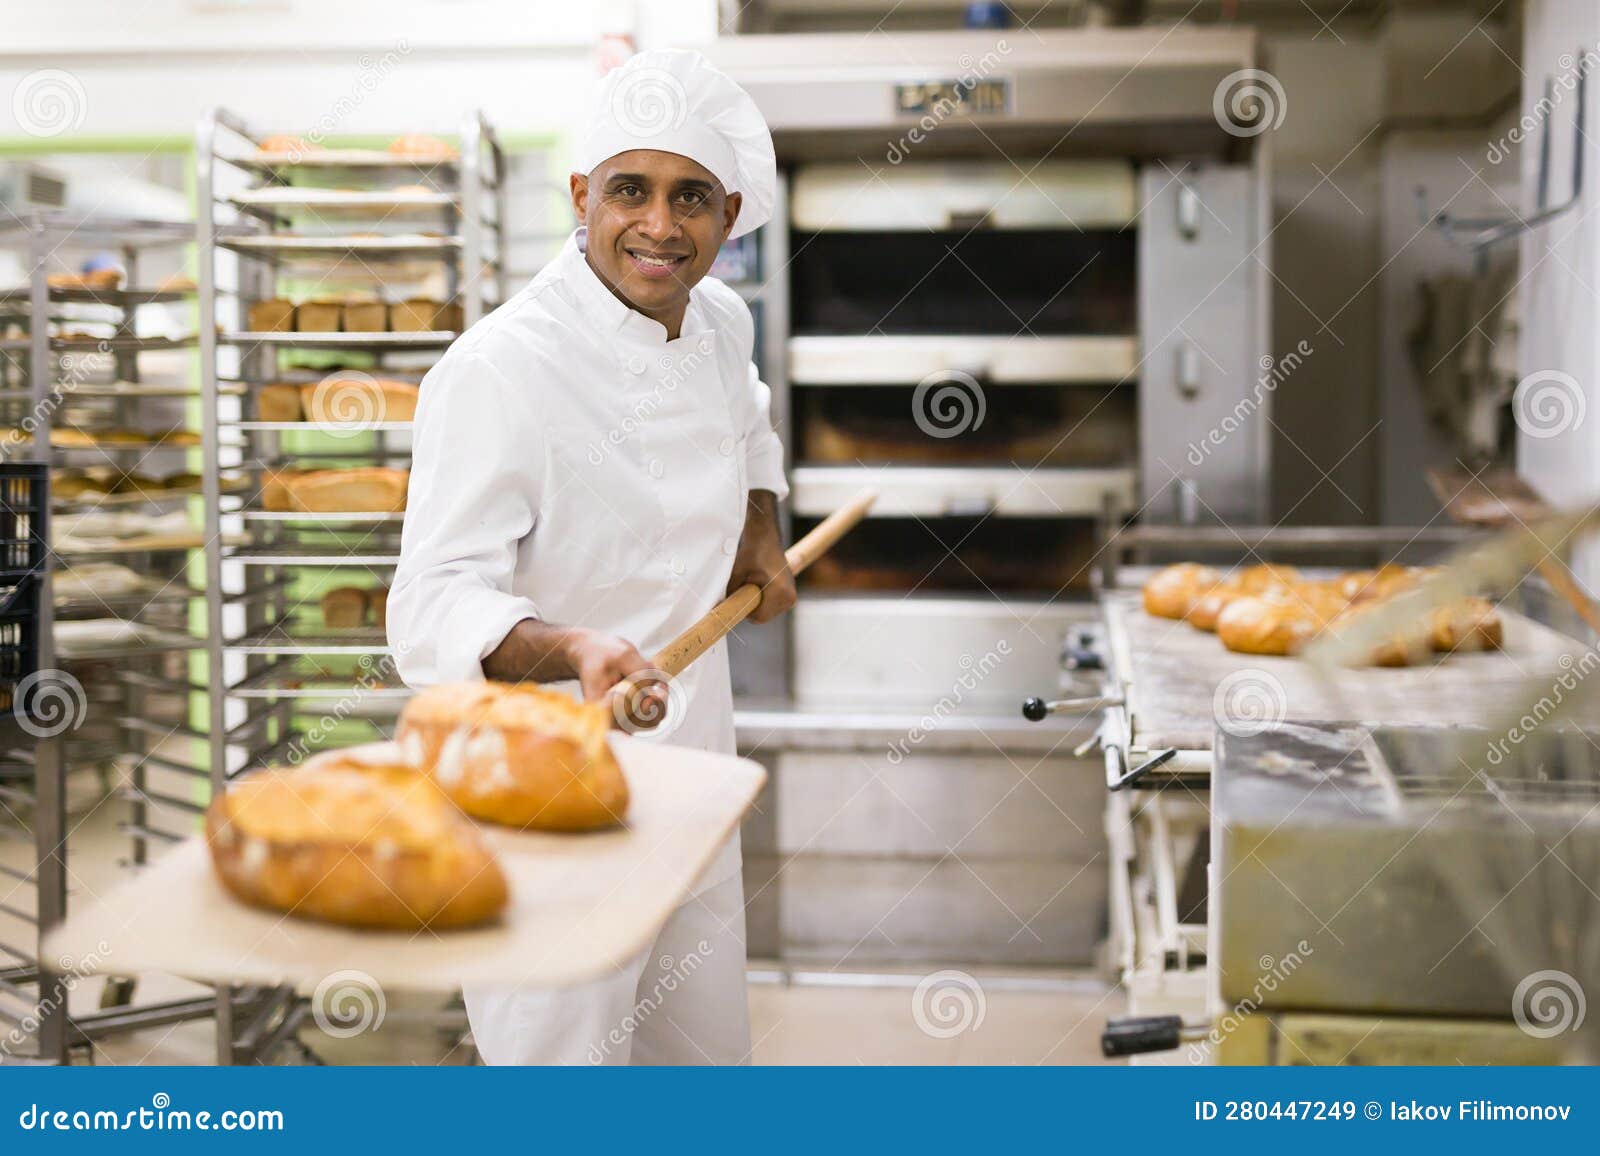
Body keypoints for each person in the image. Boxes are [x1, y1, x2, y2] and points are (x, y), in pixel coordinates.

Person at [387, 48, 793, 1065]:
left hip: (692, 766)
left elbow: (748, 426)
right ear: (581, 195)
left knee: (699, 1067)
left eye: (690, 197)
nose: (661, 226)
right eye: (631, 191)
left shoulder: (720, 323)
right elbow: (430, 605)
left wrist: (760, 523)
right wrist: (572, 647)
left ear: (728, 215)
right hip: (546, 796)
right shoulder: (497, 370)